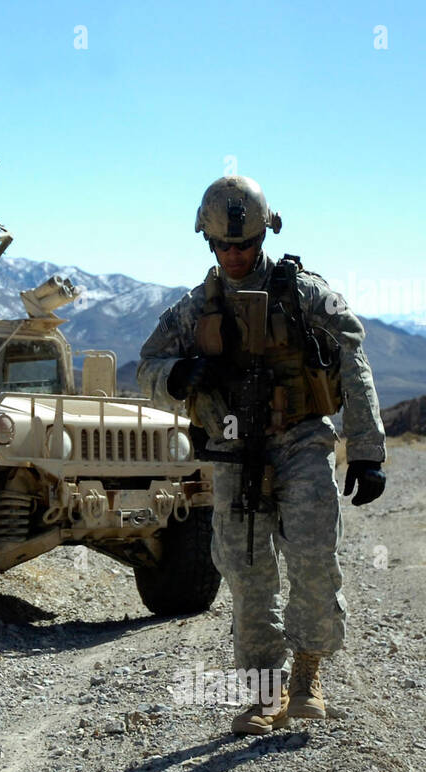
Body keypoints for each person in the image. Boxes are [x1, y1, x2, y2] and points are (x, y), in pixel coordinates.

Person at [137, 175, 387, 736]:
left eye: (244, 244)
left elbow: (353, 360)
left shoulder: (304, 294)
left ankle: (307, 675)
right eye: (223, 245)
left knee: (315, 560)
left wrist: (367, 451)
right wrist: (177, 375)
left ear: (264, 234)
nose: (234, 254)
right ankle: (262, 693)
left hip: (300, 440)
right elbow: (146, 369)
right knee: (248, 574)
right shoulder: (193, 308)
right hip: (231, 449)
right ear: (207, 241)